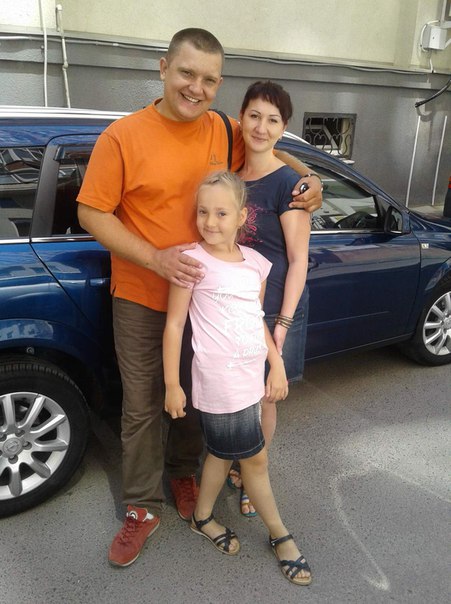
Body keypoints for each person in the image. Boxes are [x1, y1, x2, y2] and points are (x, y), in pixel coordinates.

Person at [77, 27, 322, 568]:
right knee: (144, 404)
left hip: (207, 301)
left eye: (210, 80)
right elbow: (91, 212)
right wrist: (156, 259)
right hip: (142, 293)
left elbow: (266, 147)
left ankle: (183, 475)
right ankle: (141, 507)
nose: (196, 87)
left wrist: (309, 176)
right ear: (164, 68)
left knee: (195, 393)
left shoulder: (220, 127)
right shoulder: (123, 136)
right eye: (187, 73)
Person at [163, 170, 312, 586]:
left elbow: (256, 318)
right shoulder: (192, 262)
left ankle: (202, 516)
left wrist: (275, 363)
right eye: (203, 212)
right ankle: (281, 535)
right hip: (219, 383)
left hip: (249, 379)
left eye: (221, 213)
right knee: (255, 461)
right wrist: (173, 384)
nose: (210, 222)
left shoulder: (255, 265)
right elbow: (175, 325)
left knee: (220, 454)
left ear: (242, 216)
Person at [227, 80, 311, 517]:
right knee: (236, 393)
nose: (261, 127)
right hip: (234, 308)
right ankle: (236, 458)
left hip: (276, 308)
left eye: (273, 120)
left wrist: (283, 324)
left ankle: (252, 474)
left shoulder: (291, 185)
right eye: (255, 116)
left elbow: (298, 260)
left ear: (283, 127)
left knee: (264, 398)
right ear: (241, 117)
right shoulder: (231, 180)